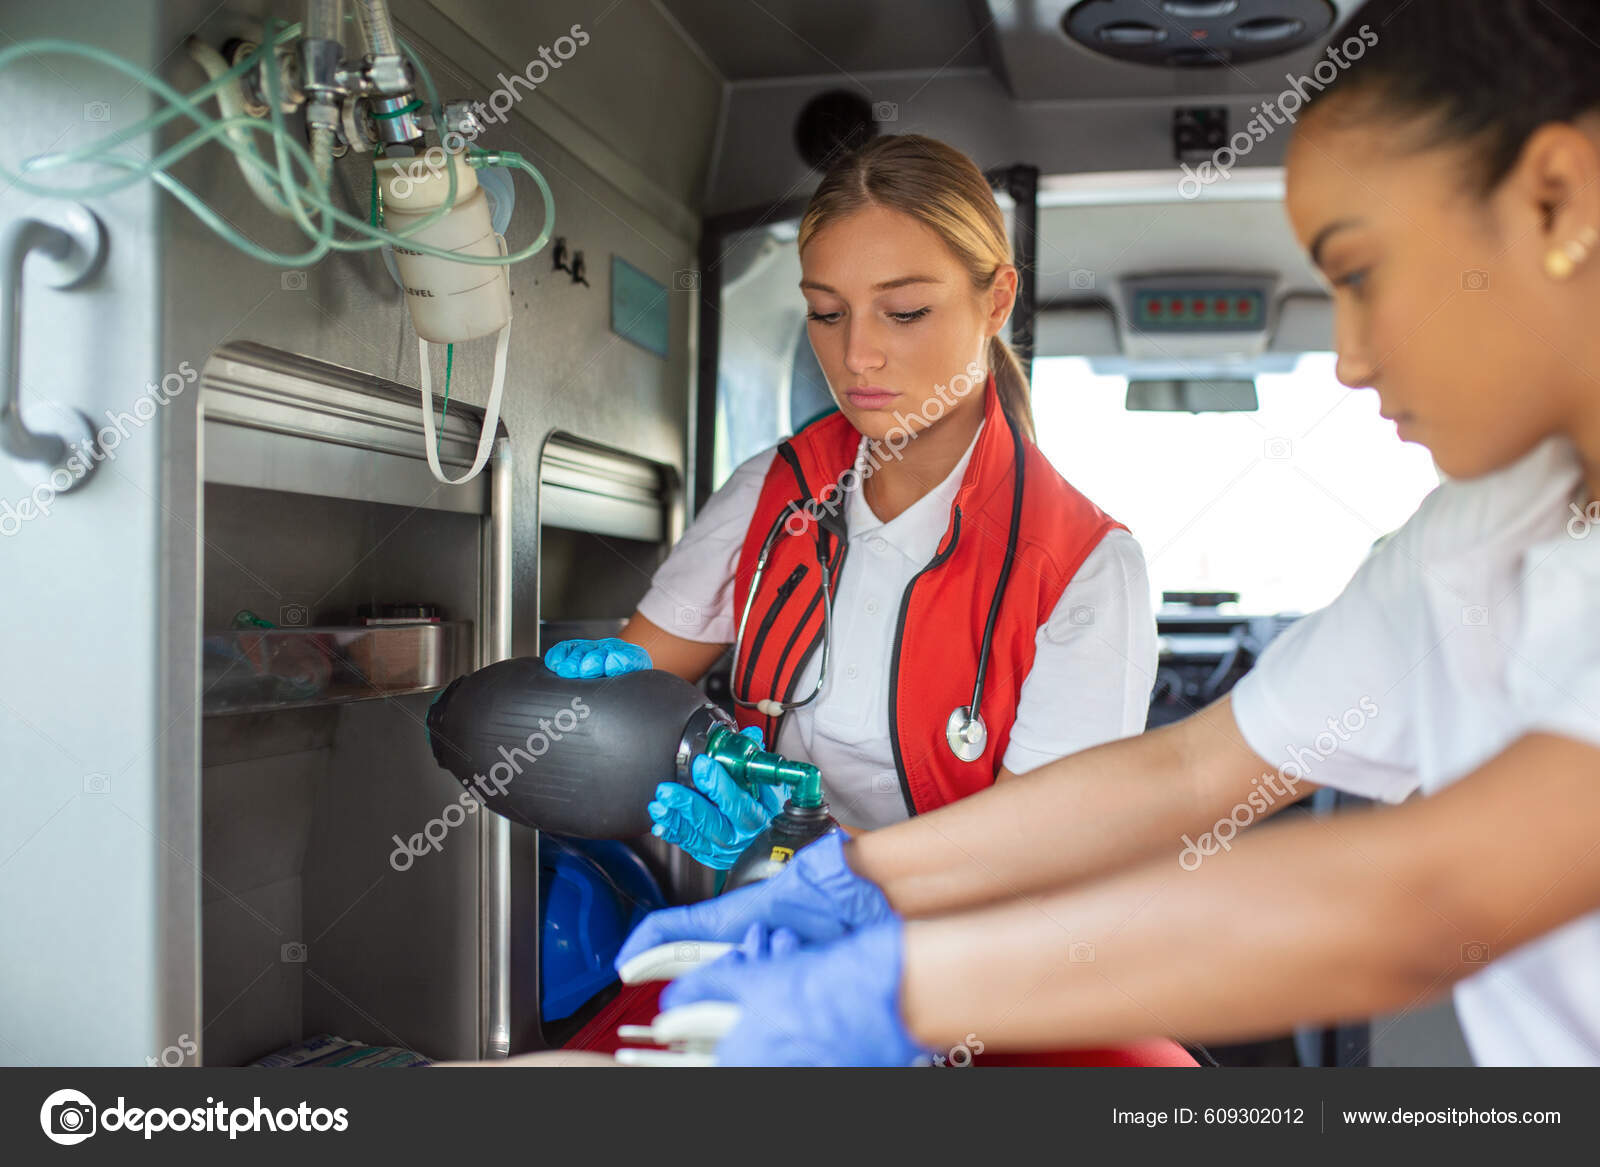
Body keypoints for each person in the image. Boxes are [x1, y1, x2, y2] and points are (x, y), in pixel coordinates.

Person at [624, 0, 1600, 1067]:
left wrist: (912, 984)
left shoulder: (1074, 556)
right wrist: (853, 881)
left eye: (1359, 274)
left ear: (1556, 201)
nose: (1352, 358)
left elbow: (1427, 897)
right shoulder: (1479, 532)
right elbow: (1186, 775)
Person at [544, 134, 1157, 864]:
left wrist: (812, 853)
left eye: (902, 312)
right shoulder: (771, 492)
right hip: (773, 930)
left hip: (971, 964)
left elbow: (1036, 865)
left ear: (996, 301)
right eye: (828, 314)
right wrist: (591, 700)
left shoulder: (1083, 568)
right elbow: (623, 697)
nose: (856, 355)